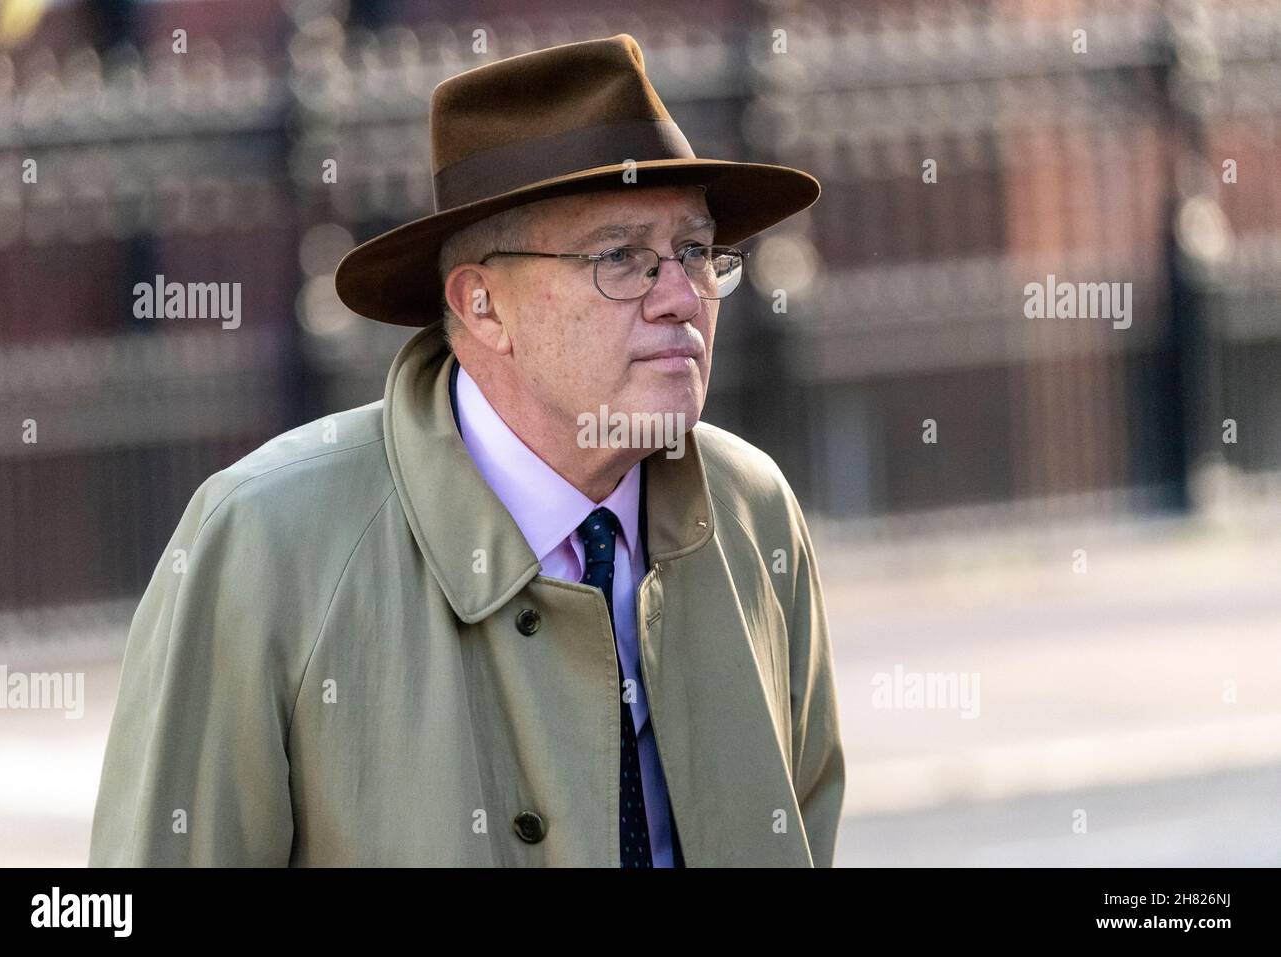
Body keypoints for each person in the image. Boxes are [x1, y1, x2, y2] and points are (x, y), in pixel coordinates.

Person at [89, 32, 844, 867]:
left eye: (696, 251)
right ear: (481, 305)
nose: (679, 296)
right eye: (621, 257)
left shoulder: (753, 511)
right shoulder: (267, 542)